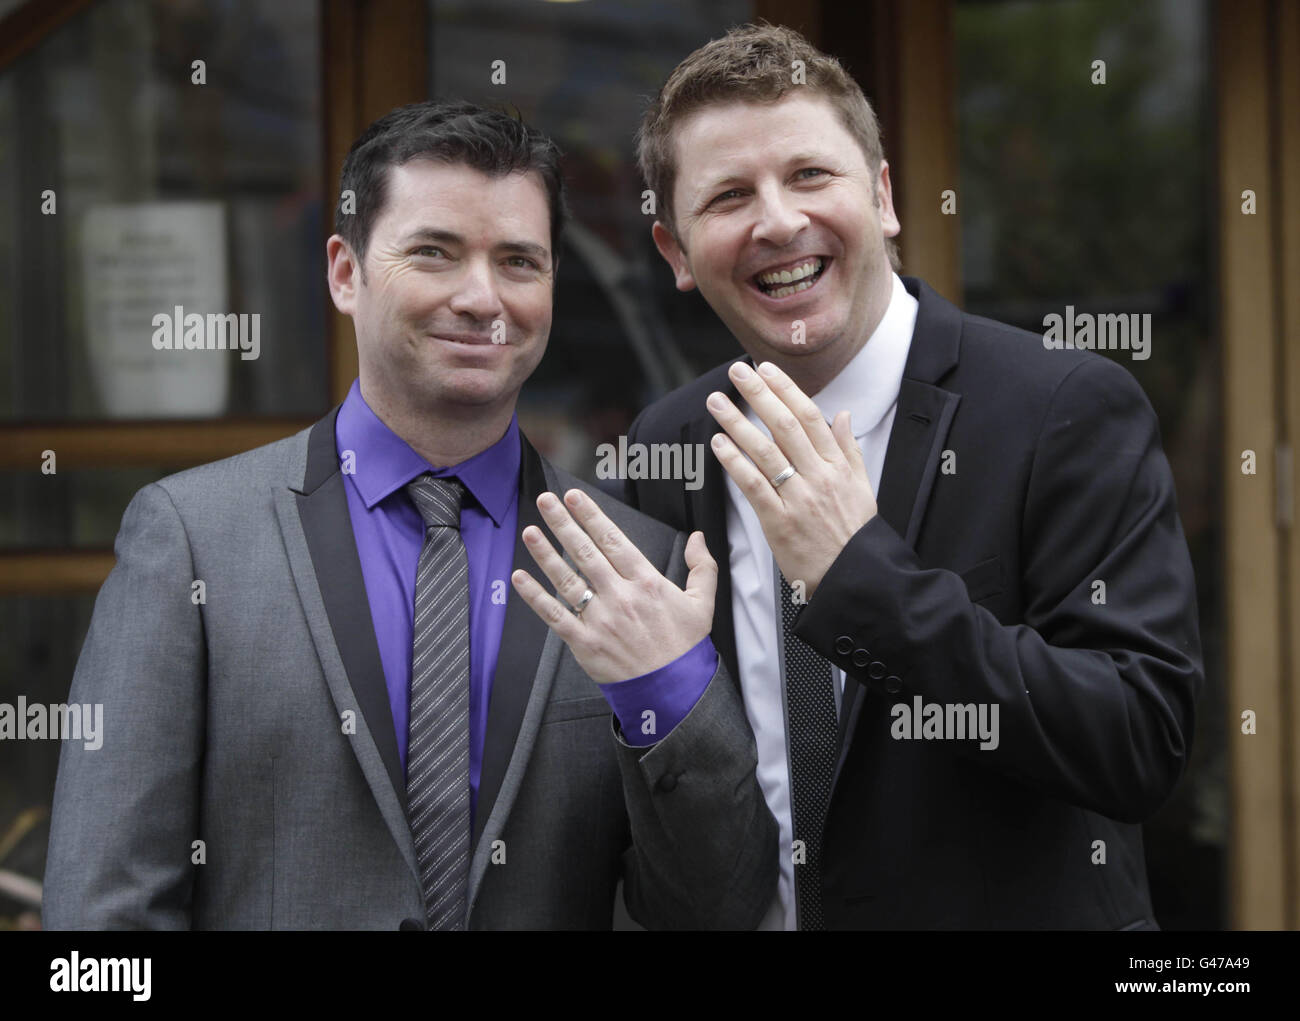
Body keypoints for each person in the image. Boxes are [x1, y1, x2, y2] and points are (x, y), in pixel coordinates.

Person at [42, 100, 776, 930]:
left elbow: (718, 908)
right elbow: (99, 923)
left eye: (518, 262)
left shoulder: (643, 566)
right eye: (434, 252)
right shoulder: (191, 541)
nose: (480, 296)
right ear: (344, 272)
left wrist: (669, 694)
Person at [625, 24, 1203, 929]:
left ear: (885, 196)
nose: (778, 220)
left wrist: (862, 578)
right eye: (730, 195)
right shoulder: (669, 444)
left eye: (811, 175)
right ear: (675, 253)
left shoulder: (1064, 409)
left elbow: (1138, 740)